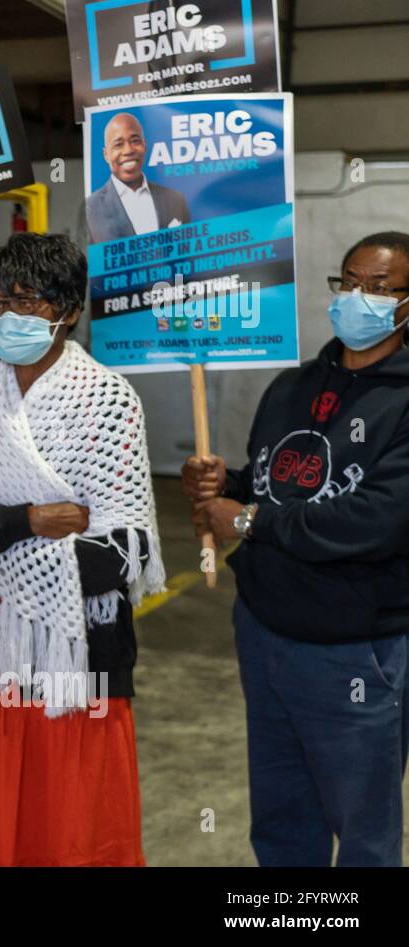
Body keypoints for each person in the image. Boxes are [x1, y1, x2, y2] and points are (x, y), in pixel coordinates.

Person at [0, 232, 164, 866]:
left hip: (78, 662)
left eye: (30, 303)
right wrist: (26, 520)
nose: (11, 316)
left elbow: (123, 551)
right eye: (0, 302)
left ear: (69, 310)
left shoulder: (108, 401)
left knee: (73, 829)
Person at [183, 231, 409, 867]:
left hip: (352, 650)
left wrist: (249, 520)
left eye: (381, 288)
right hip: (264, 633)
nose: (359, 298)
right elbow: (271, 483)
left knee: (363, 831)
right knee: (282, 822)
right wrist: (220, 484)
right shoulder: (292, 384)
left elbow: (374, 520)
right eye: (351, 283)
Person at [86, 112, 192, 244]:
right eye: (118, 144)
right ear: (106, 154)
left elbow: (189, 255)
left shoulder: (175, 200)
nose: (128, 150)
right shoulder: (90, 208)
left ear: (145, 145)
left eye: (135, 141)